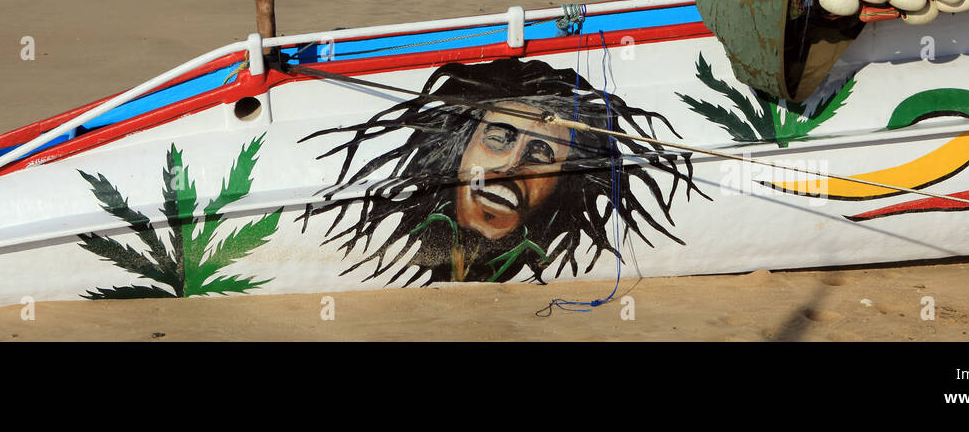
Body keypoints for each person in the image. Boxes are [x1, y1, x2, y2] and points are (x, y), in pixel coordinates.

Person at [297, 57, 705, 285]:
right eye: (499, 138)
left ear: (560, 184)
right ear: (460, 148)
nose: (512, 166)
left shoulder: (542, 267)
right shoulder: (393, 249)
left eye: (541, 153)